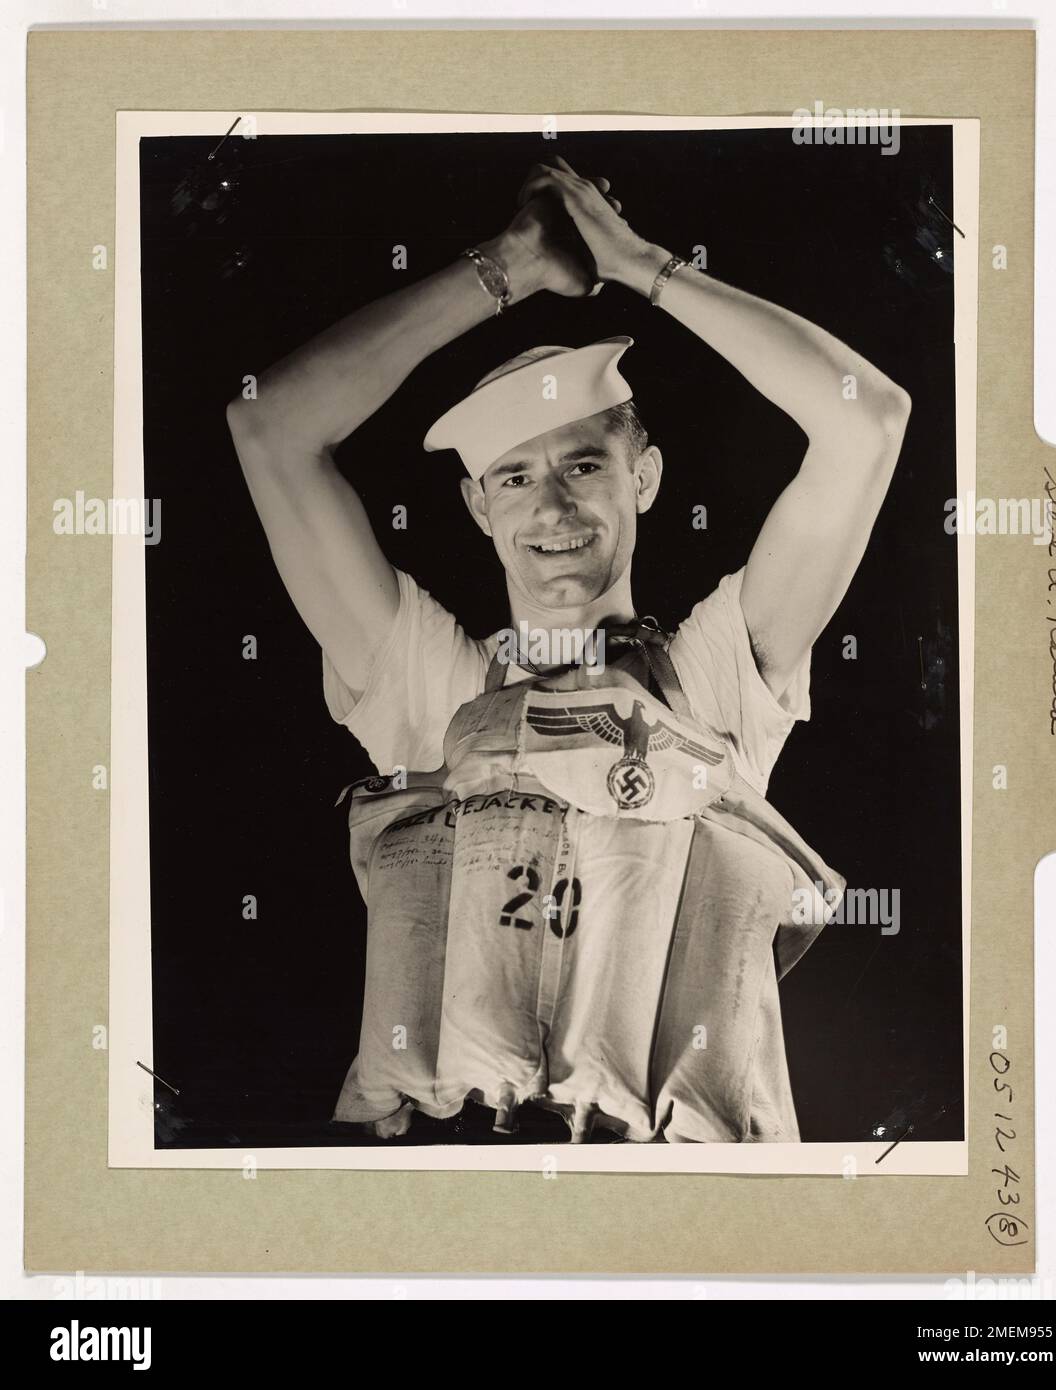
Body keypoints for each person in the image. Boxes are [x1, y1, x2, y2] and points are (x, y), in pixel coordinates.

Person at [227, 156, 911, 1143]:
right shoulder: (436, 686)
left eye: (583, 464)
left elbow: (865, 419)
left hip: (679, 1206)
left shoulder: (715, 671)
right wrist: (505, 267)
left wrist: (638, 265)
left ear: (643, 476)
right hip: (469, 1195)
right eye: (513, 478)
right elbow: (268, 427)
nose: (549, 507)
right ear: (475, 505)